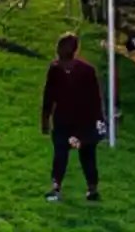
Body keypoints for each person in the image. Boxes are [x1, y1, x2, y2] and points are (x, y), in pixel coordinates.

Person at [40, 32, 105, 202]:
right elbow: (95, 99)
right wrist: (98, 121)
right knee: (88, 155)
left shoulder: (55, 69)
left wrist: (45, 120)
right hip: (85, 120)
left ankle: (56, 187)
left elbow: (48, 97)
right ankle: (92, 188)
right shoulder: (88, 70)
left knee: (60, 154)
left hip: (63, 120)